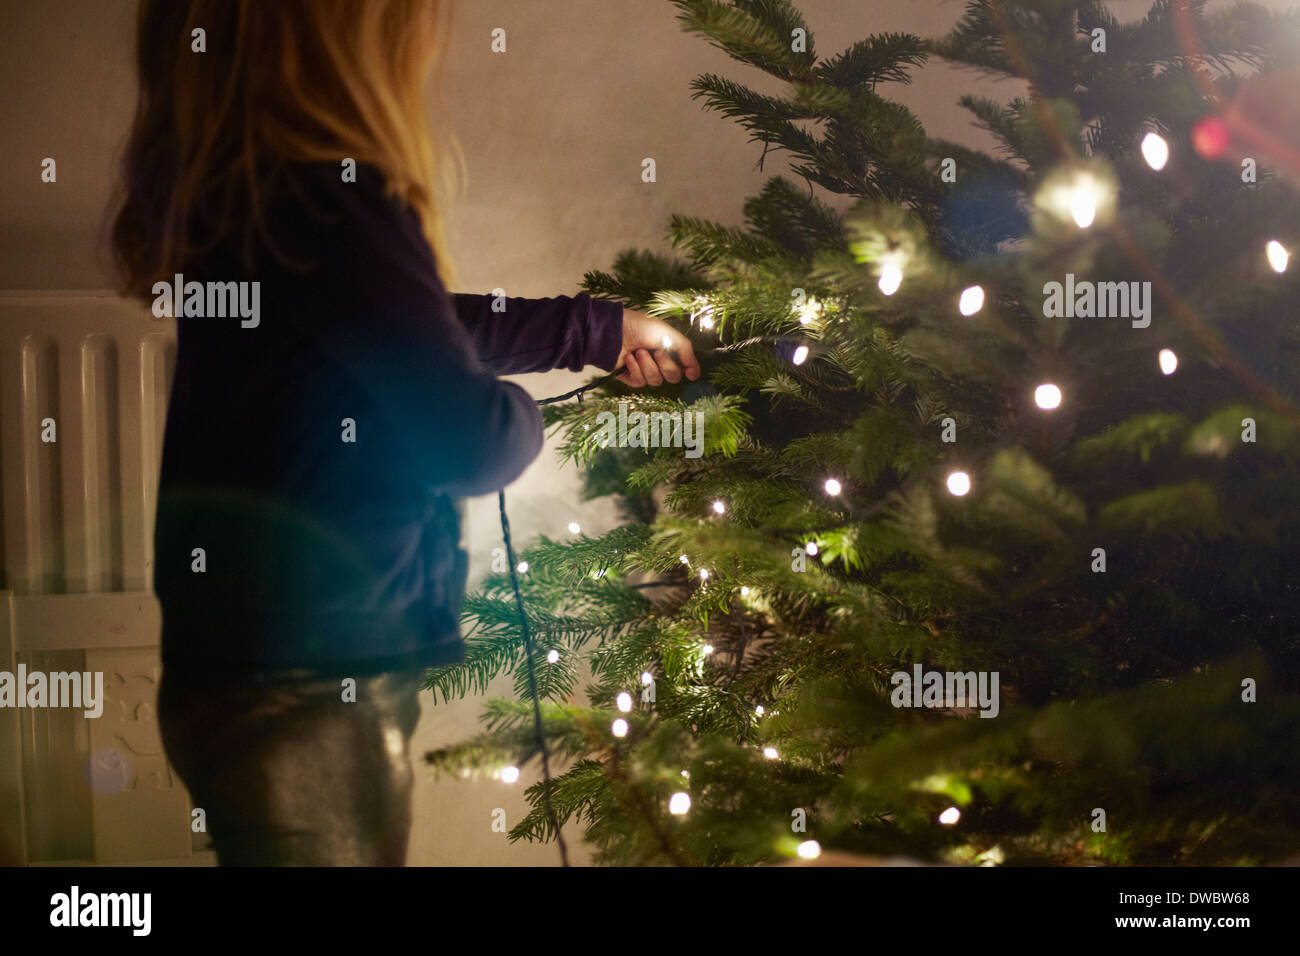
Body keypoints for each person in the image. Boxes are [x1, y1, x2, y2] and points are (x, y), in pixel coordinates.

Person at [108, 0, 699, 865]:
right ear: (351, 45)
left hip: (244, 670)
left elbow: (402, 326)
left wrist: (595, 333)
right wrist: (518, 413)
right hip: (305, 689)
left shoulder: (254, 201)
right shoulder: (331, 200)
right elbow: (471, 439)